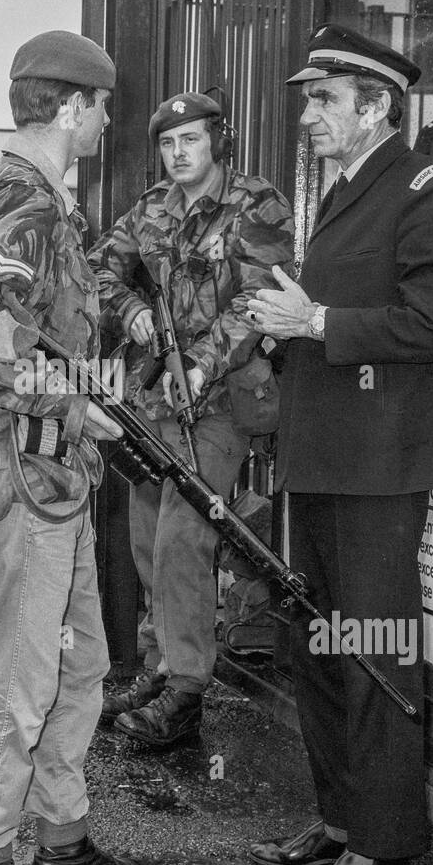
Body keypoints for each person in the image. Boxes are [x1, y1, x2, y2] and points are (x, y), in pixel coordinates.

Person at [0, 30, 150, 865]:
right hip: (18, 475)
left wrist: (79, 409)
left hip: (54, 477)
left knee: (78, 664)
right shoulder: (18, 200)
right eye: (101, 106)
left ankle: (62, 839)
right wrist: (73, 402)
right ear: (72, 108)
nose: (106, 120)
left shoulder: (48, 204)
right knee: (13, 677)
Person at [245, 24, 433, 865]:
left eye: (325, 99)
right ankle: (339, 821)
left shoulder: (424, 185)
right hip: (322, 454)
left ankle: (384, 845)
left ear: (376, 106)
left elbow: (431, 321)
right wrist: (285, 324)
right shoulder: (337, 188)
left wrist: (319, 325)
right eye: (308, 100)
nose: (308, 115)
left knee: (372, 649)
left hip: (379, 462)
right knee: (314, 643)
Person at [88, 92, 294, 748]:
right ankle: (158, 665)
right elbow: (97, 272)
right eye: (169, 143)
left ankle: (186, 690)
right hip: (162, 401)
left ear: (218, 141)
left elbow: (260, 297)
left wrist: (201, 364)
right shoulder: (152, 207)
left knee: (184, 531)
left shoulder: (256, 203)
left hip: (228, 395)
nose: (179, 155)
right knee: (151, 533)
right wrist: (133, 312)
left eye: (192, 141)